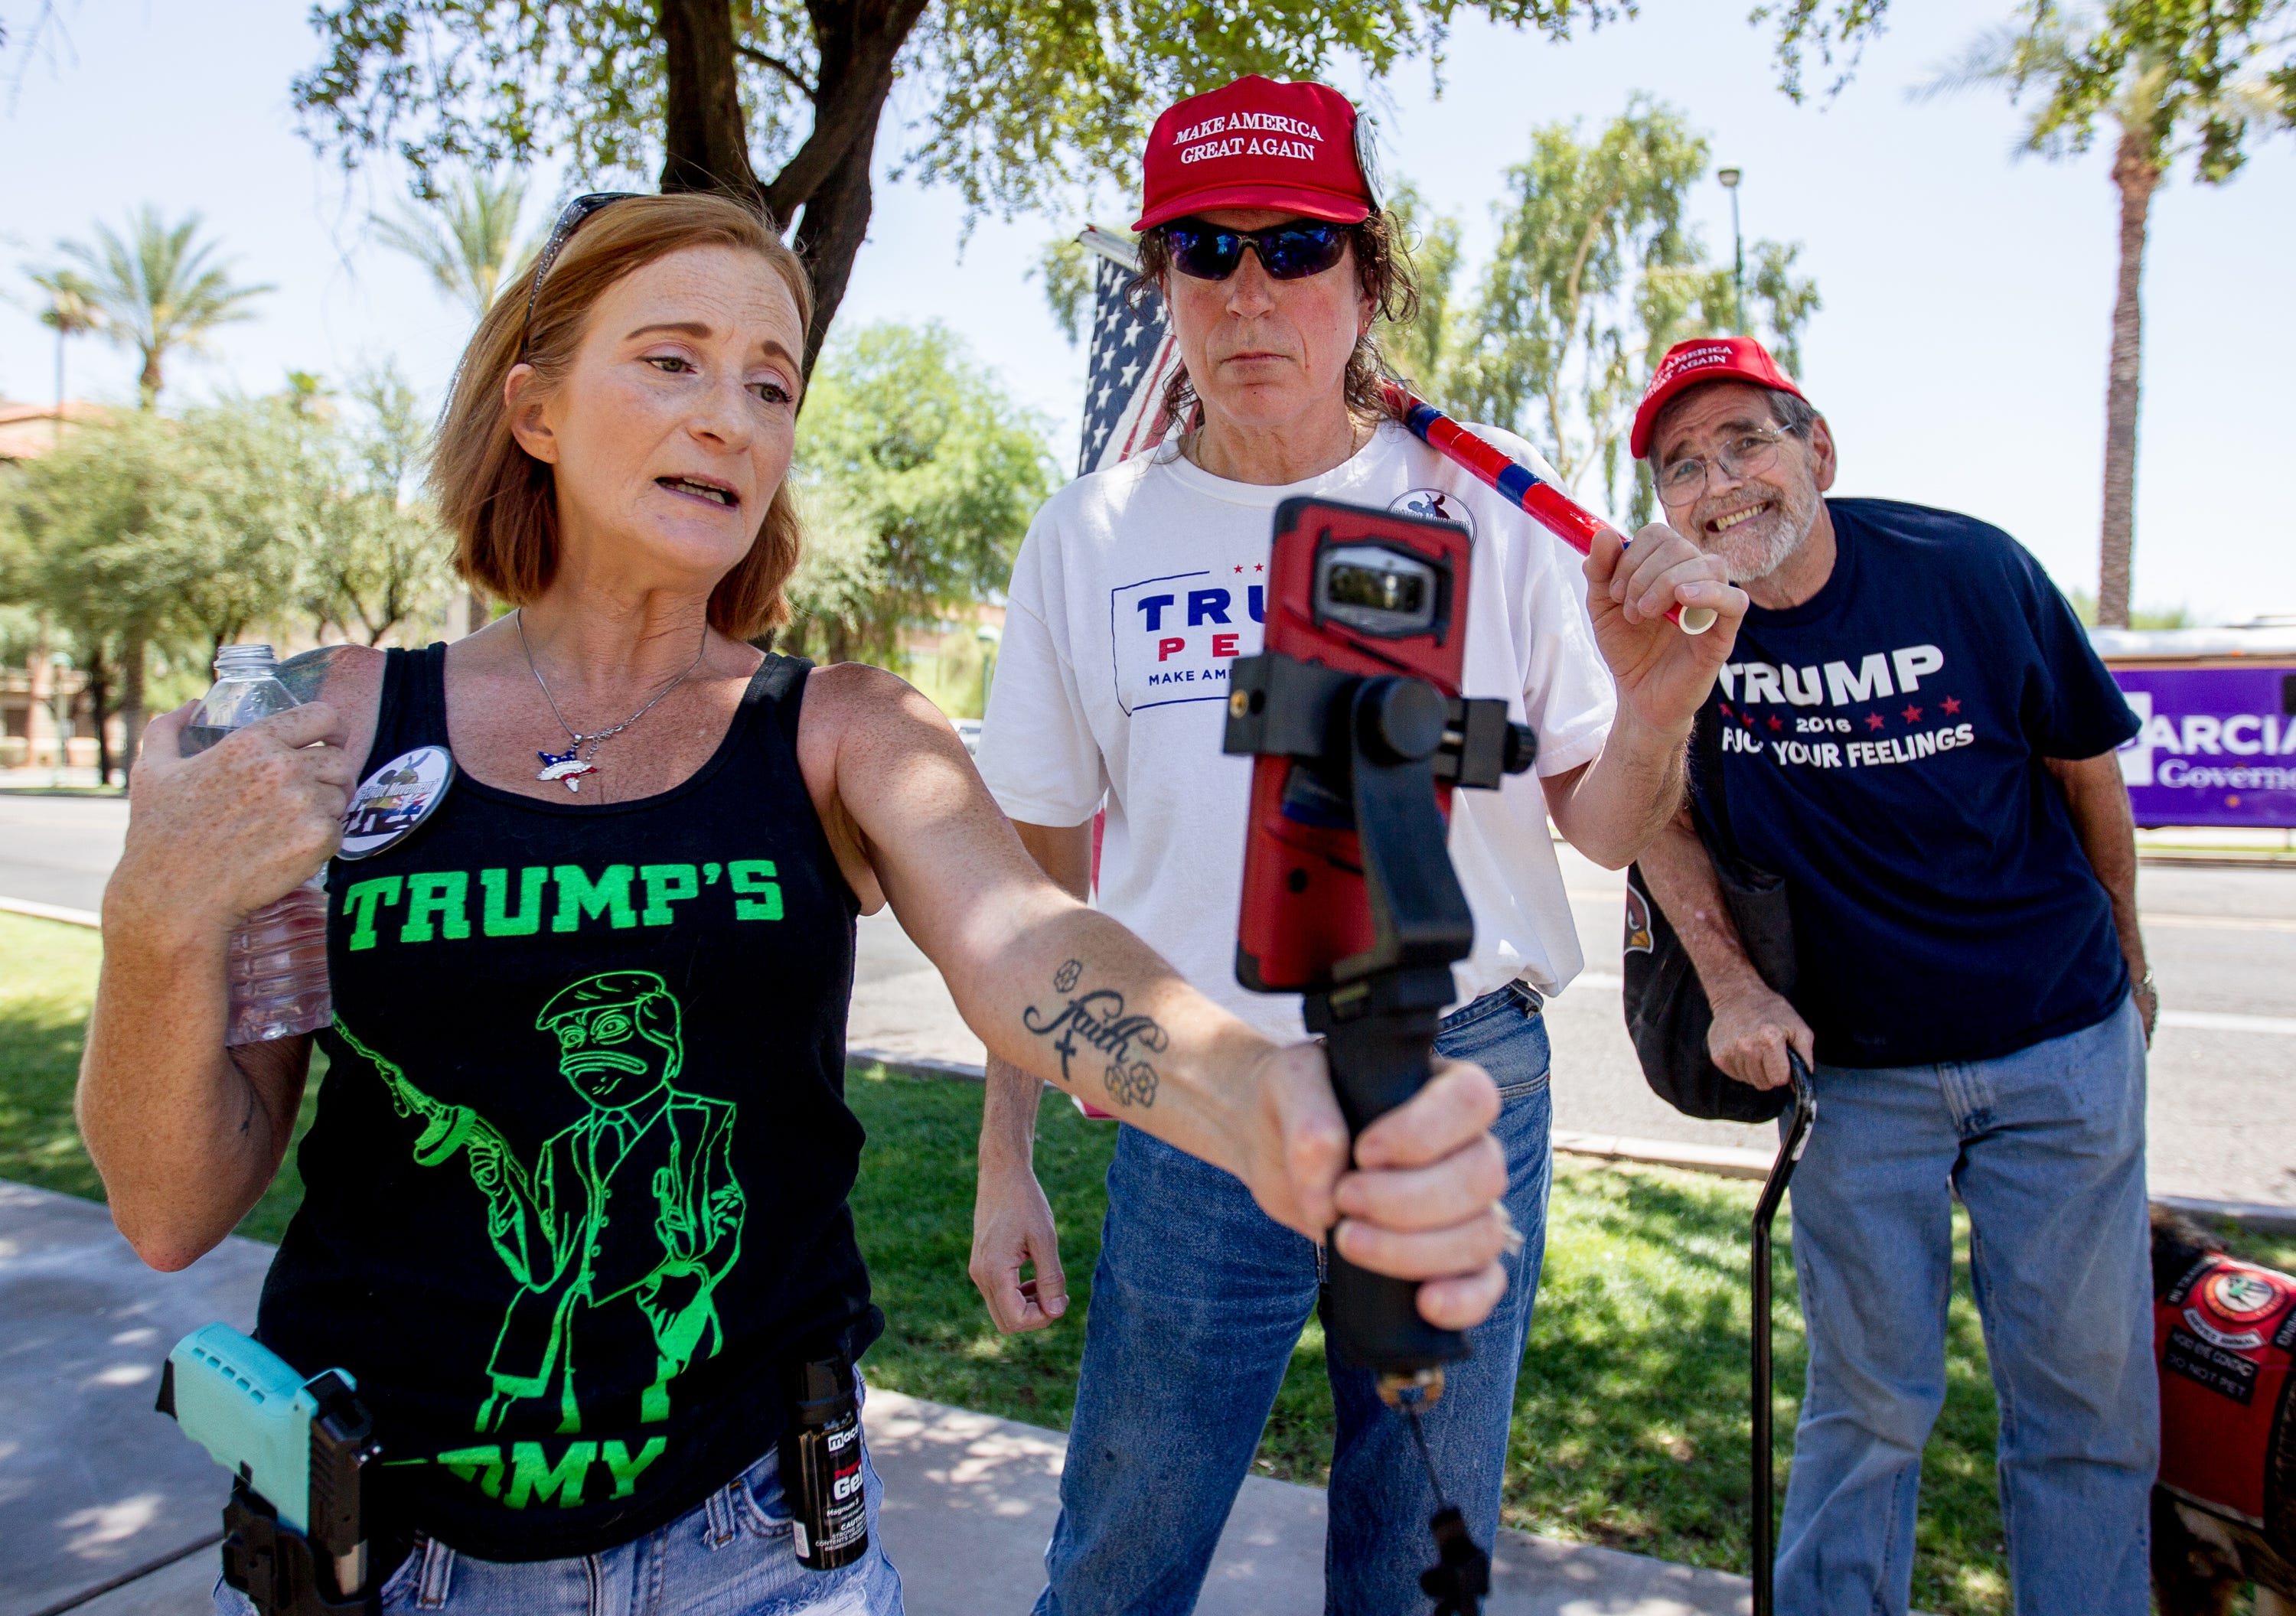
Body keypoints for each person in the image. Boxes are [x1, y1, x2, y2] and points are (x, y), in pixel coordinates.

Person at [77, 191, 1519, 1616]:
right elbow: (169, 1204)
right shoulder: (318, 723)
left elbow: (1026, 941)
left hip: (754, 1553)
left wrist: (1258, 1098)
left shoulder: (842, 728)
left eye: (772, 385)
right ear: (535, 409)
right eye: (672, 361)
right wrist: (153, 919)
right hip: (368, 1562)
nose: (734, 419)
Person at [967, 76, 1746, 1616]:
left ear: (1366, 276)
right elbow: (1035, 895)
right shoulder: (1090, 538)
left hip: (1458, 1080)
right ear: (1163, 282)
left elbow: (1602, 827)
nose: (1250, 292)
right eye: (1205, 249)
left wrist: (1660, 708)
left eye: (1296, 248)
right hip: (1198, 1093)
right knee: (1124, 1552)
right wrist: (1009, 1160)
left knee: (1416, 1558)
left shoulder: (1488, 499)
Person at [1626, 336, 2157, 1616]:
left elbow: (2086, 772)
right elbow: (1653, 813)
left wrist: (2131, 966)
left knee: (2085, 1408)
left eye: (1745, 439)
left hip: (2058, 1048)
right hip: (1854, 1080)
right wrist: (1737, 989)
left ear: (1817, 450)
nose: (1719, 481)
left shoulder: (1967, 569)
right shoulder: (1680, 628)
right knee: (1864, 1412)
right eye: (1680, 465)